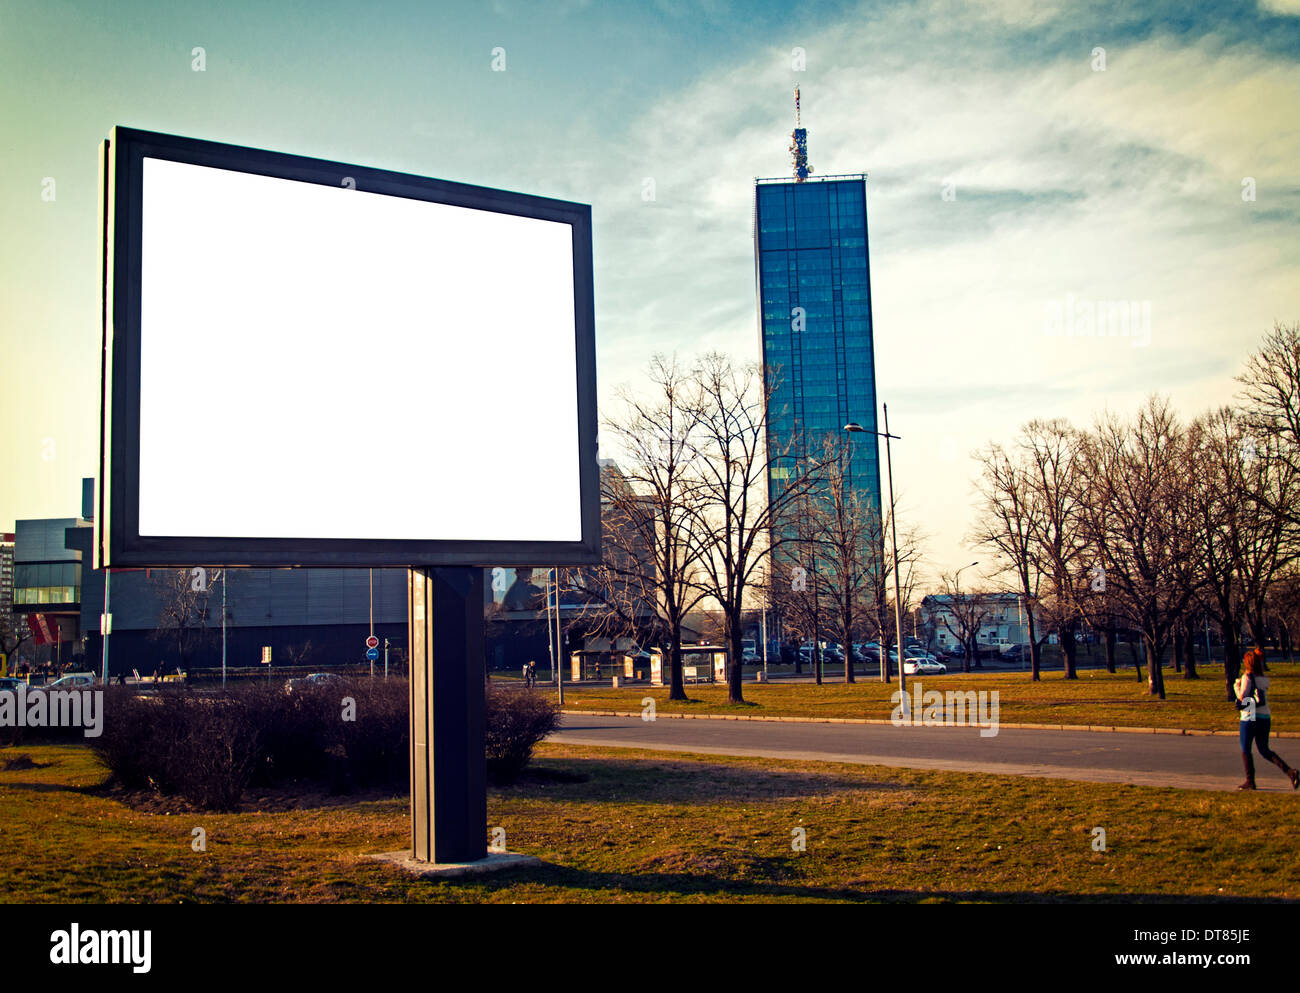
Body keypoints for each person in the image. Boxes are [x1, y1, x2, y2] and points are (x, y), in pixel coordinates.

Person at [1235, 648, 1299, 790]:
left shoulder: (1247, 678)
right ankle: (1290, 772)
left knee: (1246, 749)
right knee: (1264, 749)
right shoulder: (1264, 679)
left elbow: (1242, 697)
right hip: (1264, 716)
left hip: (1250, 715)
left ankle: (1250, 781)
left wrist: (1236, 687)